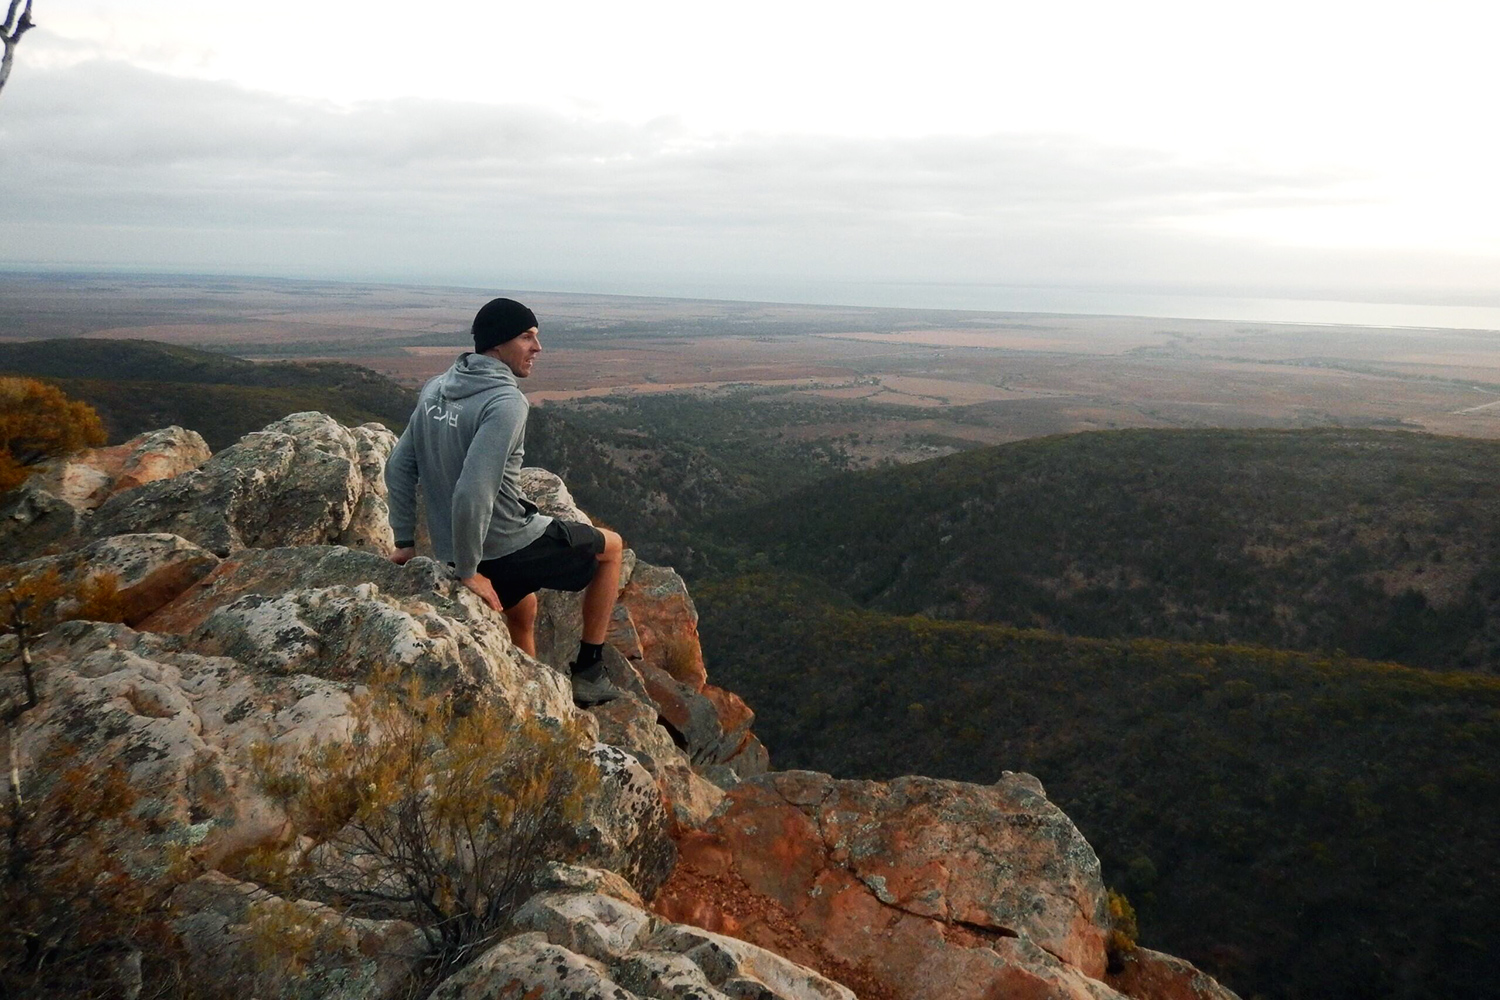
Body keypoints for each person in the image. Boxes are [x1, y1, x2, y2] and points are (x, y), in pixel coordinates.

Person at [384, 296, 624, 706]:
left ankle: (530, 692)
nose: (537, 347)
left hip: (452, 548)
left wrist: (405, 541)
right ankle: (589, 669)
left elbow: (398, 466)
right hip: (502, 547)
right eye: (527, 336)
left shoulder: (437, 387)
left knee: (522, 609)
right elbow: (473, 490)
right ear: (498, 344)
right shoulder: (505, 402)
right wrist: (469, 571)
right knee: (613, 548)